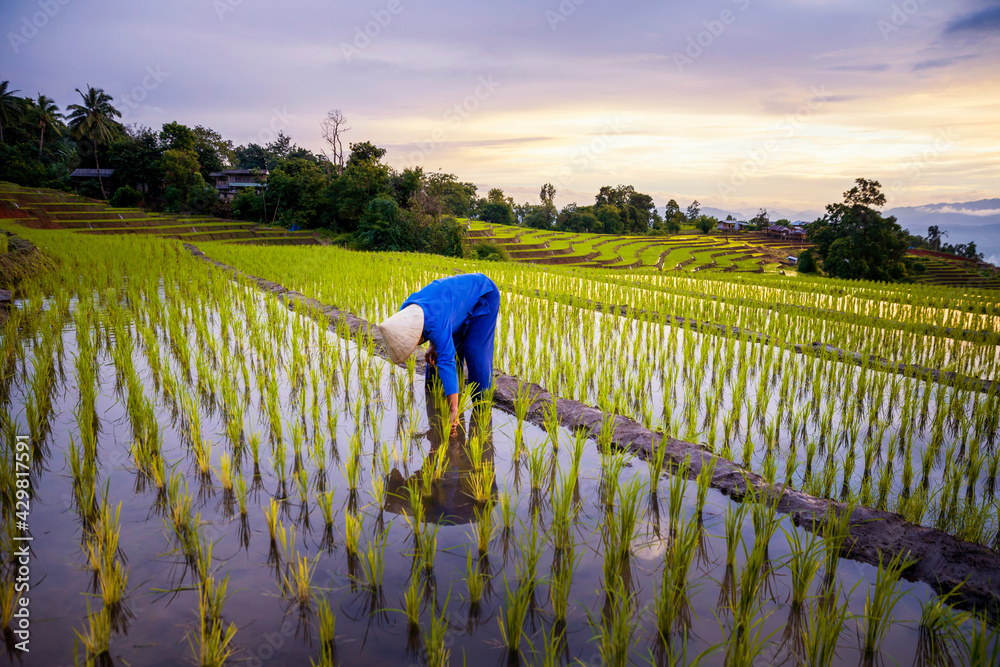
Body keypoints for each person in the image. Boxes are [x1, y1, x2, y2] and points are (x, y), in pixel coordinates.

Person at [378, 273, 500, 433]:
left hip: (483, 295)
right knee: (445, 354)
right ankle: (445, 394)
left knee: (475, 352)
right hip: (453, 306)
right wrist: (433, 345)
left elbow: (446, 361)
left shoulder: (434, 321)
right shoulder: (406, 311)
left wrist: (454, 410)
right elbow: (431, 326)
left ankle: (482, 407)